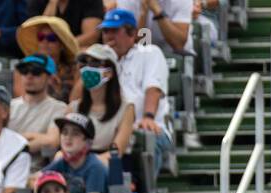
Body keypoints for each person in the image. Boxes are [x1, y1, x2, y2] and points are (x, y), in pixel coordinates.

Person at [98, 8, 171, 175]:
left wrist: (148, 117)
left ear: (131, 33)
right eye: (105, 31)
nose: (108, 36)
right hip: (111, 130)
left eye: (114, 30)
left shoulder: (149, 52)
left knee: (145, 137)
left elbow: (153, 88)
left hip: (144, 126)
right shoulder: (102, 61)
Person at [76, 43, 134, 160]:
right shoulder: (74, 108)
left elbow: (116, 152)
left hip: (109, 167)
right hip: (76, 164)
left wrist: (85, 165)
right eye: (84, 62)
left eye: (94, 63)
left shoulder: (126, 109)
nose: (87, 68)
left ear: (109, 72)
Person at [9, 54, 66, 166]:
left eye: (36, 72)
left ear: (50, 78)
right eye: (24, 71)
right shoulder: (9, 106)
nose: (29, 76)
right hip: (5, 168)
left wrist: (13, 142)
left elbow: (51, 142)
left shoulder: (59, 108)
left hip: (39, 172)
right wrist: (35, 138)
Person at [42, 111, 108, 193]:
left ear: (88, 142)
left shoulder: (95, 167)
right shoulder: (61, 162)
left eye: (75, 133)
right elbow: (35, 179)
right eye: (64, 132)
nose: (68, 137)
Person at [16, 15, 79, 102]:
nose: (45, 41)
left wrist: (57, 88)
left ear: (61, 45)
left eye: (51, 38)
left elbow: (75, 101)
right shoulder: (24, 67)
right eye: (41, 37)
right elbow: (24, 99)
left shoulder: (74, 69)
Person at [115, 0, 193, 53]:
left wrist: (157, 10)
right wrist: (143, 14)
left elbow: (178, 44)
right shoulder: (125, 1)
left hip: (176, 55)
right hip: (141, 53)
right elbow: (128, 44)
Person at [24, 0, 103, 46]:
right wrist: (53, 2)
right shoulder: (37, 2)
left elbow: (91, 36)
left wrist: (65, 49)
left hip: (80, 48)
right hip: (47, 49)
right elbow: (39, 34)